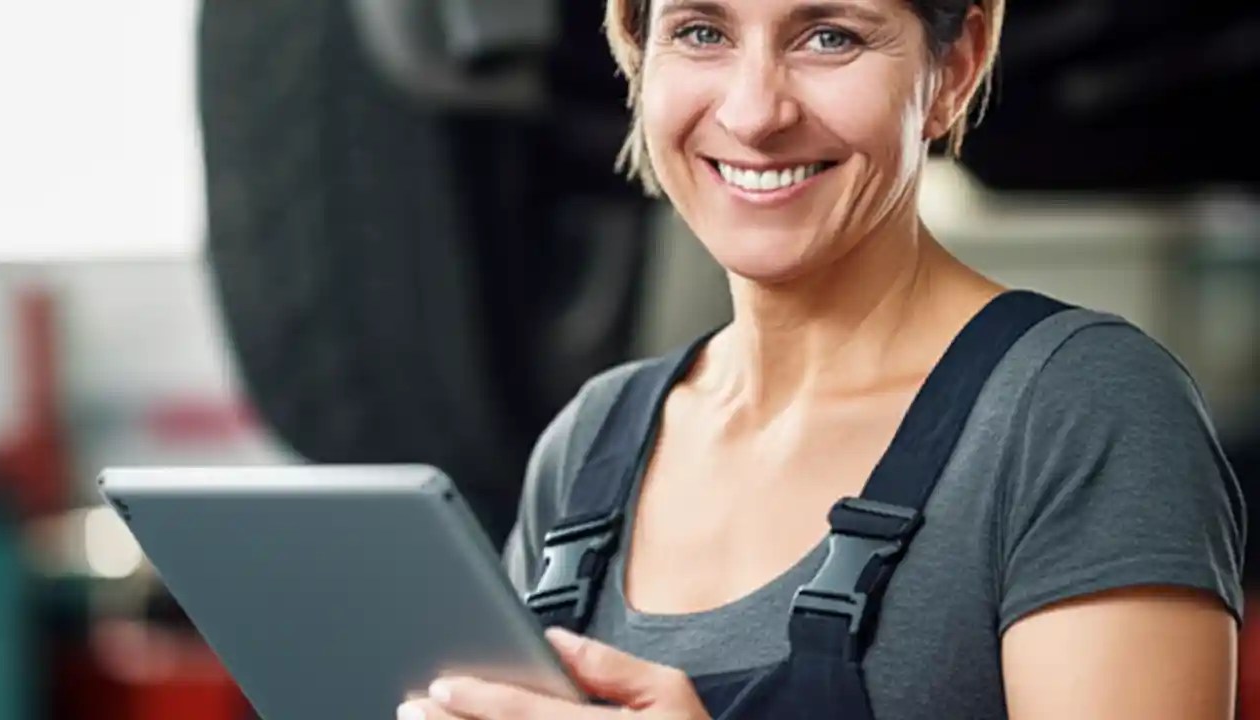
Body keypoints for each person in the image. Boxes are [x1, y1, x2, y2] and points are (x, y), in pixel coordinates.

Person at [399, 0, 1245, 717]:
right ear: (636, 51)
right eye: (700, 32)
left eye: (829, 36)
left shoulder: (1079, 411)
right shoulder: (593, 444)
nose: (755, 113)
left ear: (956, 66)